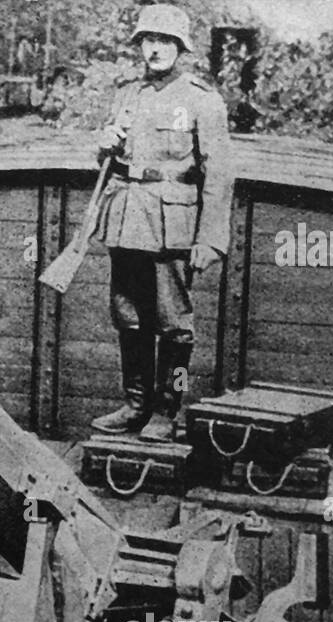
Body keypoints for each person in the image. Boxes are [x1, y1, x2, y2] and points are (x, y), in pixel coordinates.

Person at [89, 4, 233, 442]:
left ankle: (169, 410)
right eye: (148, 40)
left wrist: (210, 238)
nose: (155, 48)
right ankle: (135, 405)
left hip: (173, 226)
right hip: (127, 217)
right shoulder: (126, 95)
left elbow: (220, 173)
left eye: (164, 41)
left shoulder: (201, 100)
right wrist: (102, 143)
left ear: (180, 48)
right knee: (129, 318)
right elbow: (113, 161)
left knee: (175, 326)